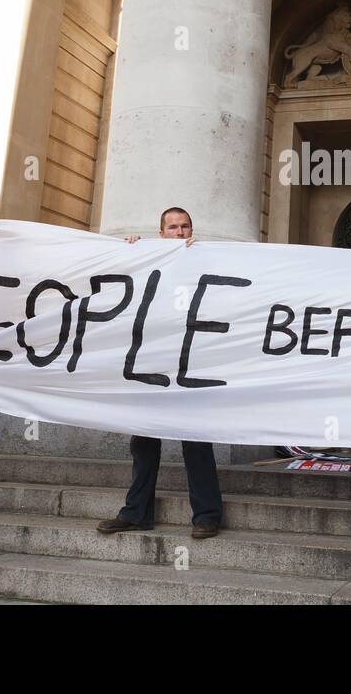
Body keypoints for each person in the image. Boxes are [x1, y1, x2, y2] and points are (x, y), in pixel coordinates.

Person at [98, 207, 224, 539]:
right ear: (161, 232)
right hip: (152, 365)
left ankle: (207, 515)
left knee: (195, 441)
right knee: (143, 441)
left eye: (185, 227)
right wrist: (132, 252)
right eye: (173, 227)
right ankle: (136, 512)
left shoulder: (205, 261)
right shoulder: (149, 259)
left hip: (189, 364)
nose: (180, 232)